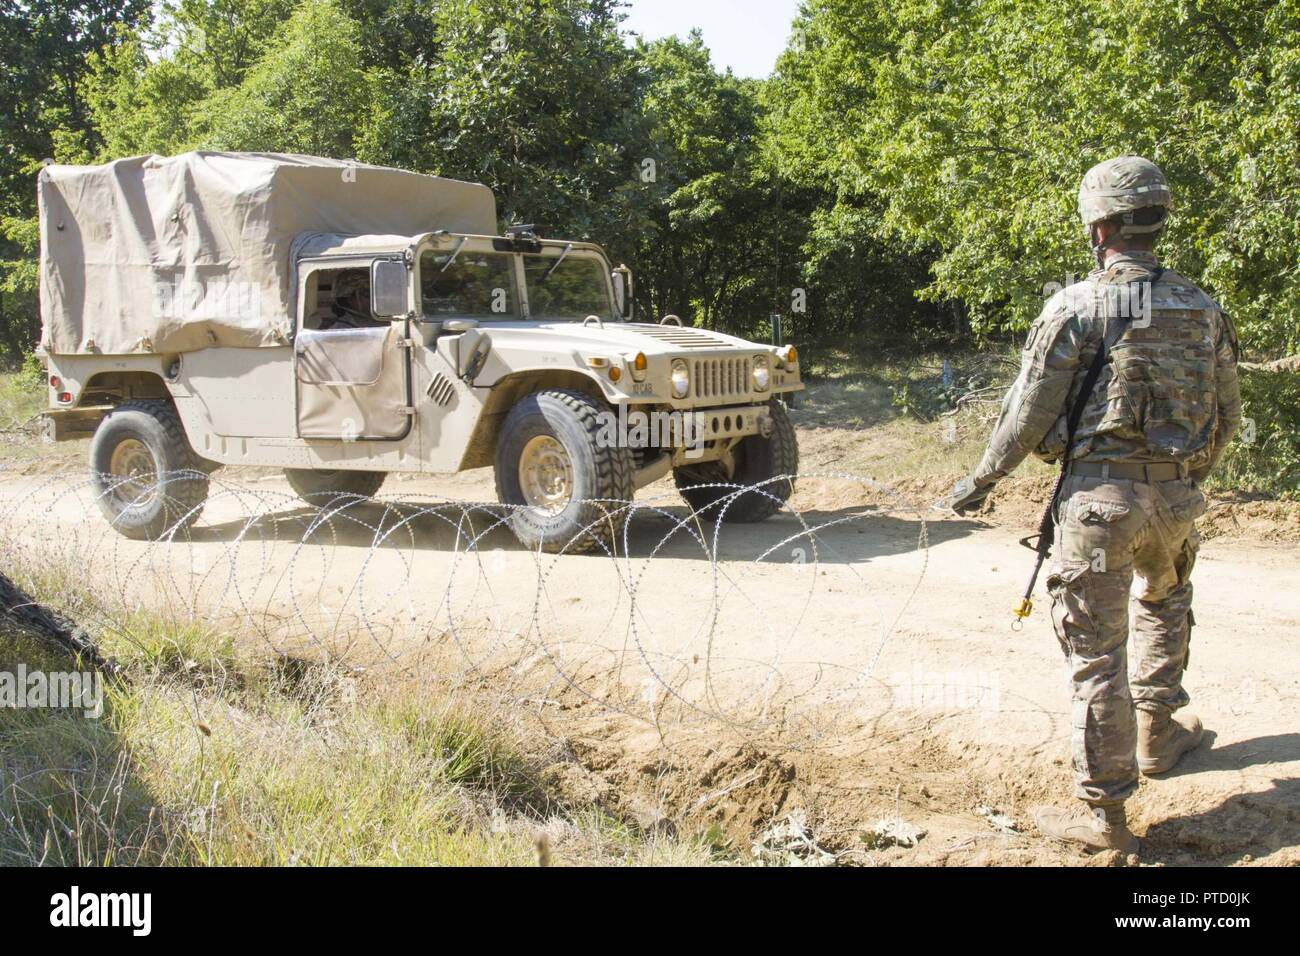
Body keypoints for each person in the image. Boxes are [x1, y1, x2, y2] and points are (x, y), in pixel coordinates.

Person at [945, 156, 1242, 853]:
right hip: (1176, 497)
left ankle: (1105, 819)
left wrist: (983, 480)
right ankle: (1158, 734)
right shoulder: (1203, 306)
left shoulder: (1076, 305)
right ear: (1158, 219)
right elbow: (1227, 415)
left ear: (1099, 226)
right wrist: (1186, 477)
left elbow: (1026, 415)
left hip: (1098, 507)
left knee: (1096, 656)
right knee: (1166, 602)